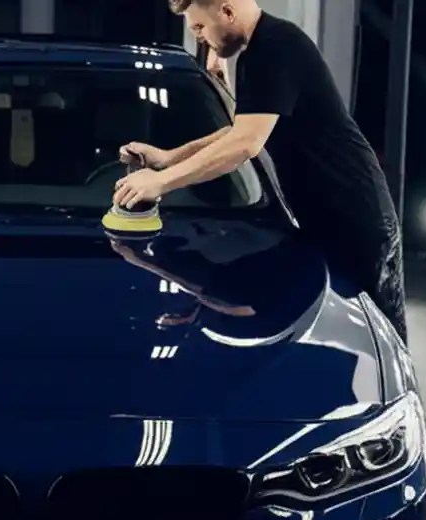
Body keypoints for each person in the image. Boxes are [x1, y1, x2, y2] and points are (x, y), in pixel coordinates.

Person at [114, 0, 409, 342]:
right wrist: (169, 158)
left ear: (227, 11)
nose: (202, 39)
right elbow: (241, 129)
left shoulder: (279, 46)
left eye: (199, 28)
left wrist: (161, 182)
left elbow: (244, 144)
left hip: (357, 218)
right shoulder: (258, 53)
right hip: (319, 220)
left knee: (377, 340)